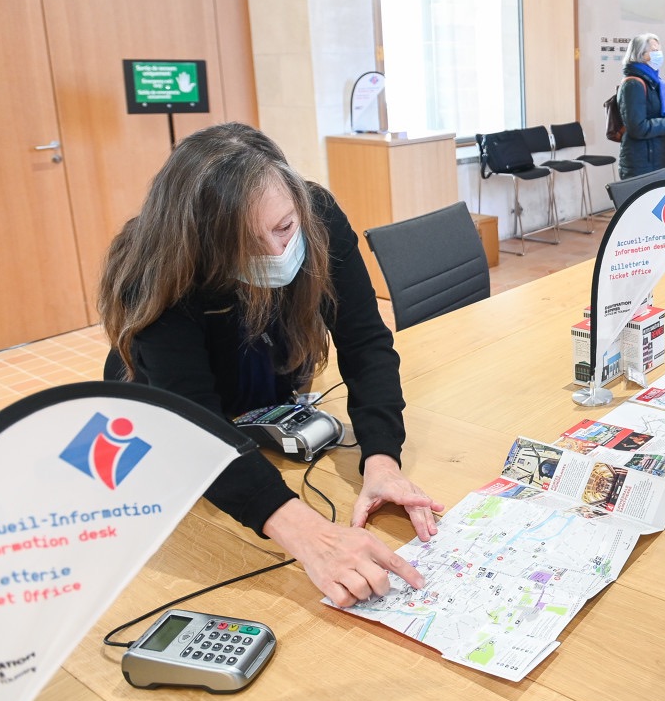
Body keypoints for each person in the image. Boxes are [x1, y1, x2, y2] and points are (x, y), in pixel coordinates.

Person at [99, 123, 442, 607]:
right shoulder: (160, 271)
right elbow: (198, 429)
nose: (278, 252)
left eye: (284, 228)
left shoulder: (316, 214)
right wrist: (310, 536)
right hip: (159, 427)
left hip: (256, 409)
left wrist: (383, 460)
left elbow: (364, 341)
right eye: (246, 244)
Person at [617, 33, 665, 178]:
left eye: (659, 50)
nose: (659, 54)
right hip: (641, 163)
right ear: (640, 55)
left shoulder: (654, 82)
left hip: (655, 159)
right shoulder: (633, 84)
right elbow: (638, 128)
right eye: (653, 51)